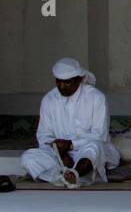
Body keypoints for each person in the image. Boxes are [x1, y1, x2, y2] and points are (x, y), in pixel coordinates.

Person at [20, 58, 120, 189]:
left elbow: (99, 135)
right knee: (28, 157)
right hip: (59, 155)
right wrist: (61, 153)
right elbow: (44, 136)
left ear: (79, 79)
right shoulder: (49, 99)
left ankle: (75, 173)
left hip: (86, 152)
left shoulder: (96, 98)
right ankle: (63, 177)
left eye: (67, 82)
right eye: (58, 81)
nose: (62, 86)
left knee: (94, 147)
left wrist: (71, 145)